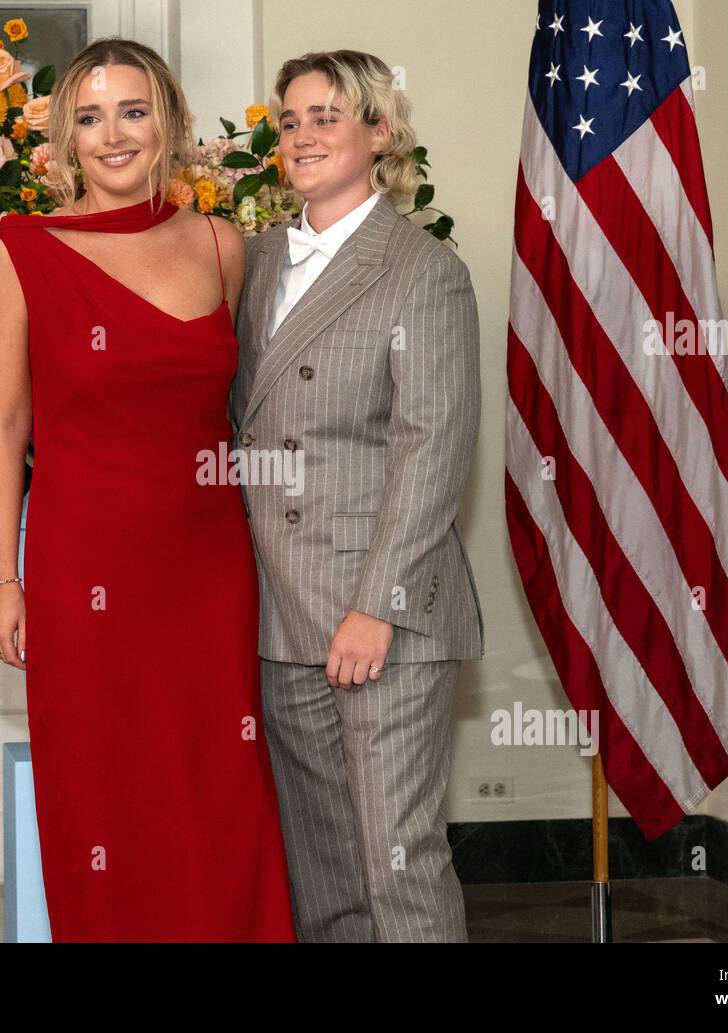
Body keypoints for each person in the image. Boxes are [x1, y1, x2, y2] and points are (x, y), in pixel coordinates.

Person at [0, 37, 295, 942]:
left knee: (217, 787)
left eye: (132, 110)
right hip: (86, 566)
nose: (111, 134)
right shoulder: (22, 252)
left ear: (169, 124)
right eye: (88, 116)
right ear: (64, 139)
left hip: (207, 564)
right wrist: (7, 577)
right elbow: (2, 425)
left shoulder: (220, 245)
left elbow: (244, 409)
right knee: (107, 795)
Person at [229, 49, 484, 942]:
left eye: (326, 116)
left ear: (380, 133)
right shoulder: (257, 260)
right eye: (290, 120)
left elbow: (433, 450)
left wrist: (376, 605)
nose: (302, 135)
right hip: (283, 616)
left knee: (397, 862)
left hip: (385, 615)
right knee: (325, 874)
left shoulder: (423, 268)